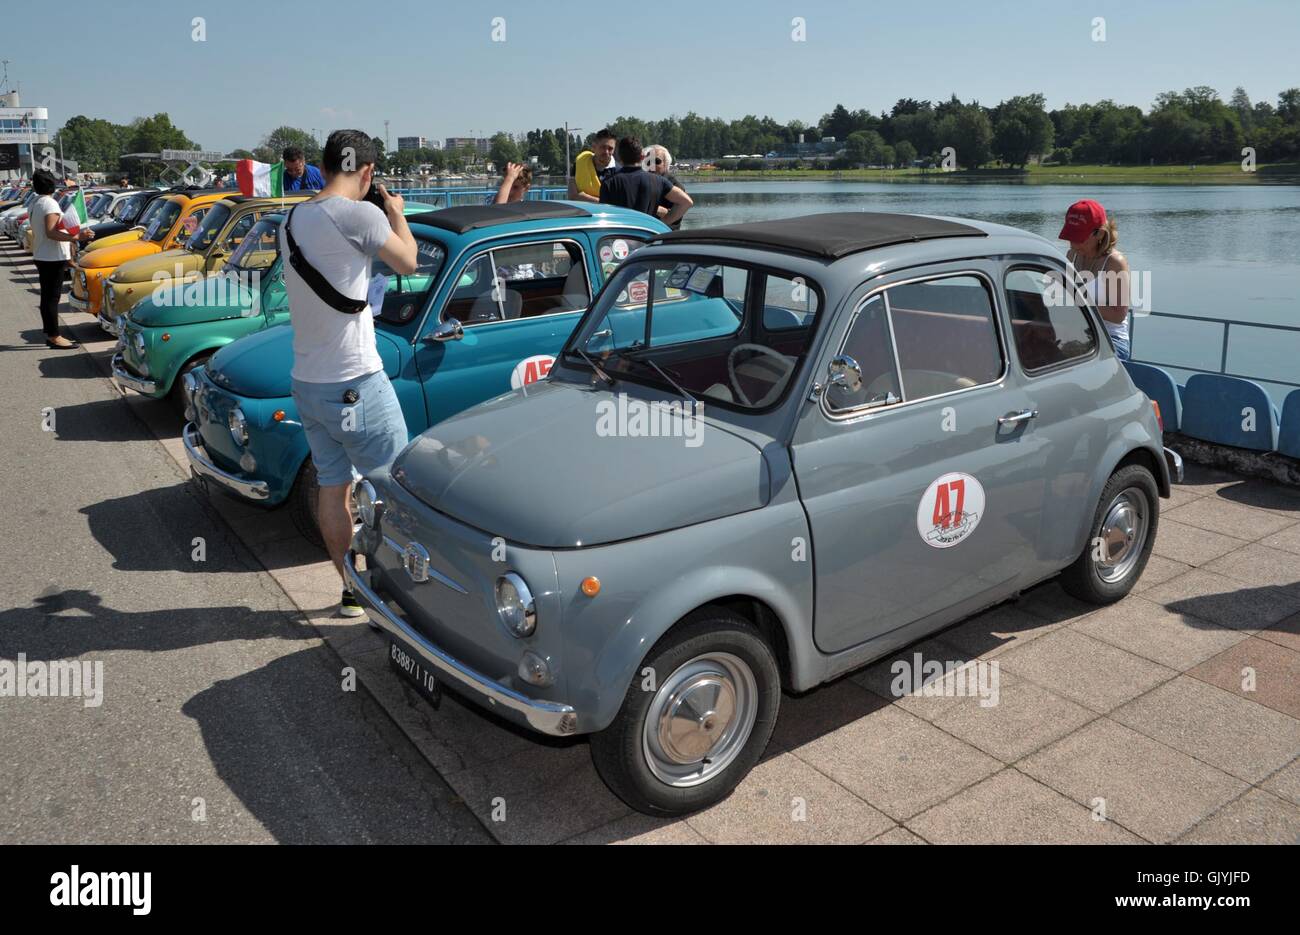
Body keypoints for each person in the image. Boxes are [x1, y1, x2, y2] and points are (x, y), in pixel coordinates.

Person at [279, 129, 418, 616]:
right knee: (398, 488)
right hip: (355, 383)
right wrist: (395, 212)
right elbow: (409, 260)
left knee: (334, 487)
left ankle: (351, 590)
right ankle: (398, 601)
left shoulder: (292, 219)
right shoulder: (361, 215)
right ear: (366, 171)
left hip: (307, 384)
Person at [30, 169, 94, 349]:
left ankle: (50, 332)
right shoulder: (49, 204)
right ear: (52, 184)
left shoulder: (35, 202)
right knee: (52, 298)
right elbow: (51, 232)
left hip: (43, 255)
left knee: (47, 297)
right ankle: (54, 336)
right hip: (51, 257)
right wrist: (76, 237)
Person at [1060, 199, 1131, 360]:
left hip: (1111, 339)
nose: (1073, 244)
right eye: (1070, 238)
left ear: (1099, 233)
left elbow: (1118, 315)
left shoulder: (1115, 262)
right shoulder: (1072, 255)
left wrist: (1080, 303)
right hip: (1077, 333)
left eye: (1079, 238)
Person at [600, 136, 692, 224]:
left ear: (619, 157)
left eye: (657, 161)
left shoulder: (608, 182)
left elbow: (603, 215)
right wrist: (662, 224)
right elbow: (686, 202)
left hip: (620, 235)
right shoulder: (659, 181)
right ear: (642, 157)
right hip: (647, 235)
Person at [645, 144, 689, 229]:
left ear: (666, 163)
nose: (652, 165)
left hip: (666, 234)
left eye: (657, 161)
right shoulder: (644, 181)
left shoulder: (675, 186)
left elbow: (676, 216)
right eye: (649, 161)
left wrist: (652, 207)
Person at [567, 128, 618, 202]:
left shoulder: (619, 171)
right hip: (581, 212)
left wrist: (583, 196)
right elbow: (572, 196)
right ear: (594, 147)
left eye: (610, 148)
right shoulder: (580, 162)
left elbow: (616, 203)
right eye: (603, 147)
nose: (606, 152)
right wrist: (600, 200)